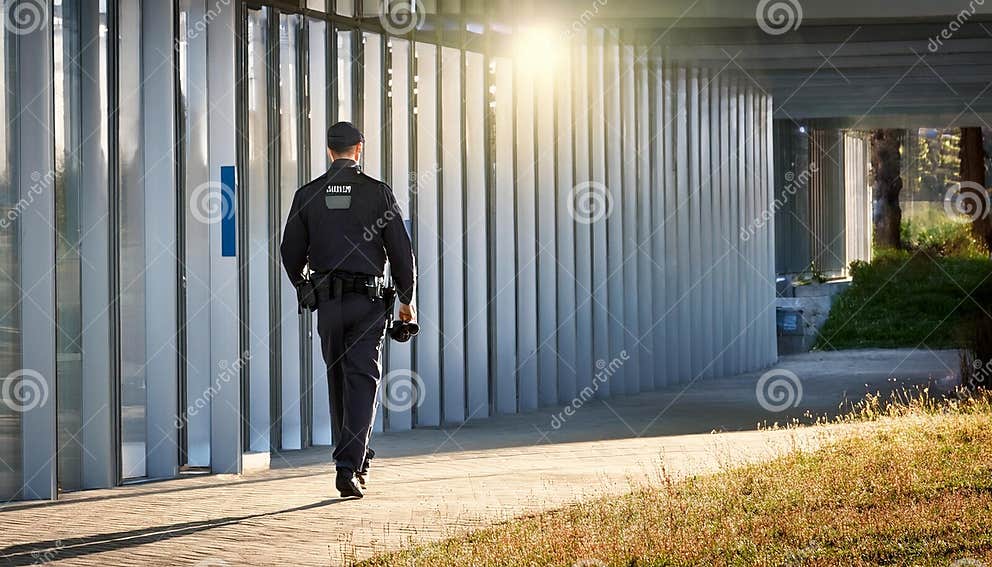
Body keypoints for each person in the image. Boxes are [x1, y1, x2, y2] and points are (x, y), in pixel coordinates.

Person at [280, 121, 417, 499]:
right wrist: (406, 300)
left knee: (339, 380)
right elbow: (401, 253)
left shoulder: (307, 194)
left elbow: (289, 251)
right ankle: (349, 465)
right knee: (362, 381)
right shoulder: (378, 193)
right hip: (369, 304)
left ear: (329, 151)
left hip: (327, 304)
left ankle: (354, 455)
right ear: (359, 149)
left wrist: (302, 285)